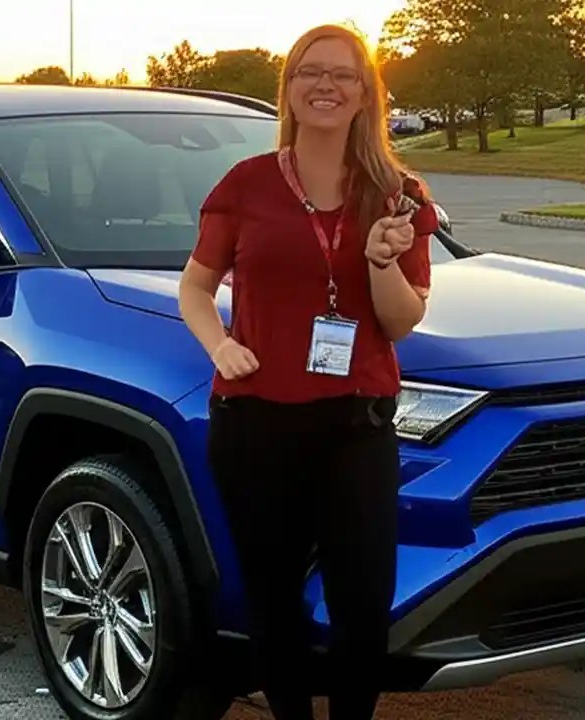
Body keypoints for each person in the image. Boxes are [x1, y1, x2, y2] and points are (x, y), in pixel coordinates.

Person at [177, 23, 438, 720]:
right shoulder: (246, 185)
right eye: (309, 73)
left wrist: (381, 262)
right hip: (256, 419)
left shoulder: (398, 193)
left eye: (343, 75)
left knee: (362, 601)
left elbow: (402, 321)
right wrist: (219, 345)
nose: (325, 86)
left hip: (355, 425)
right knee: (273, 597)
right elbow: (195, 289)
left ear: (365, 94)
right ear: (288, 90)